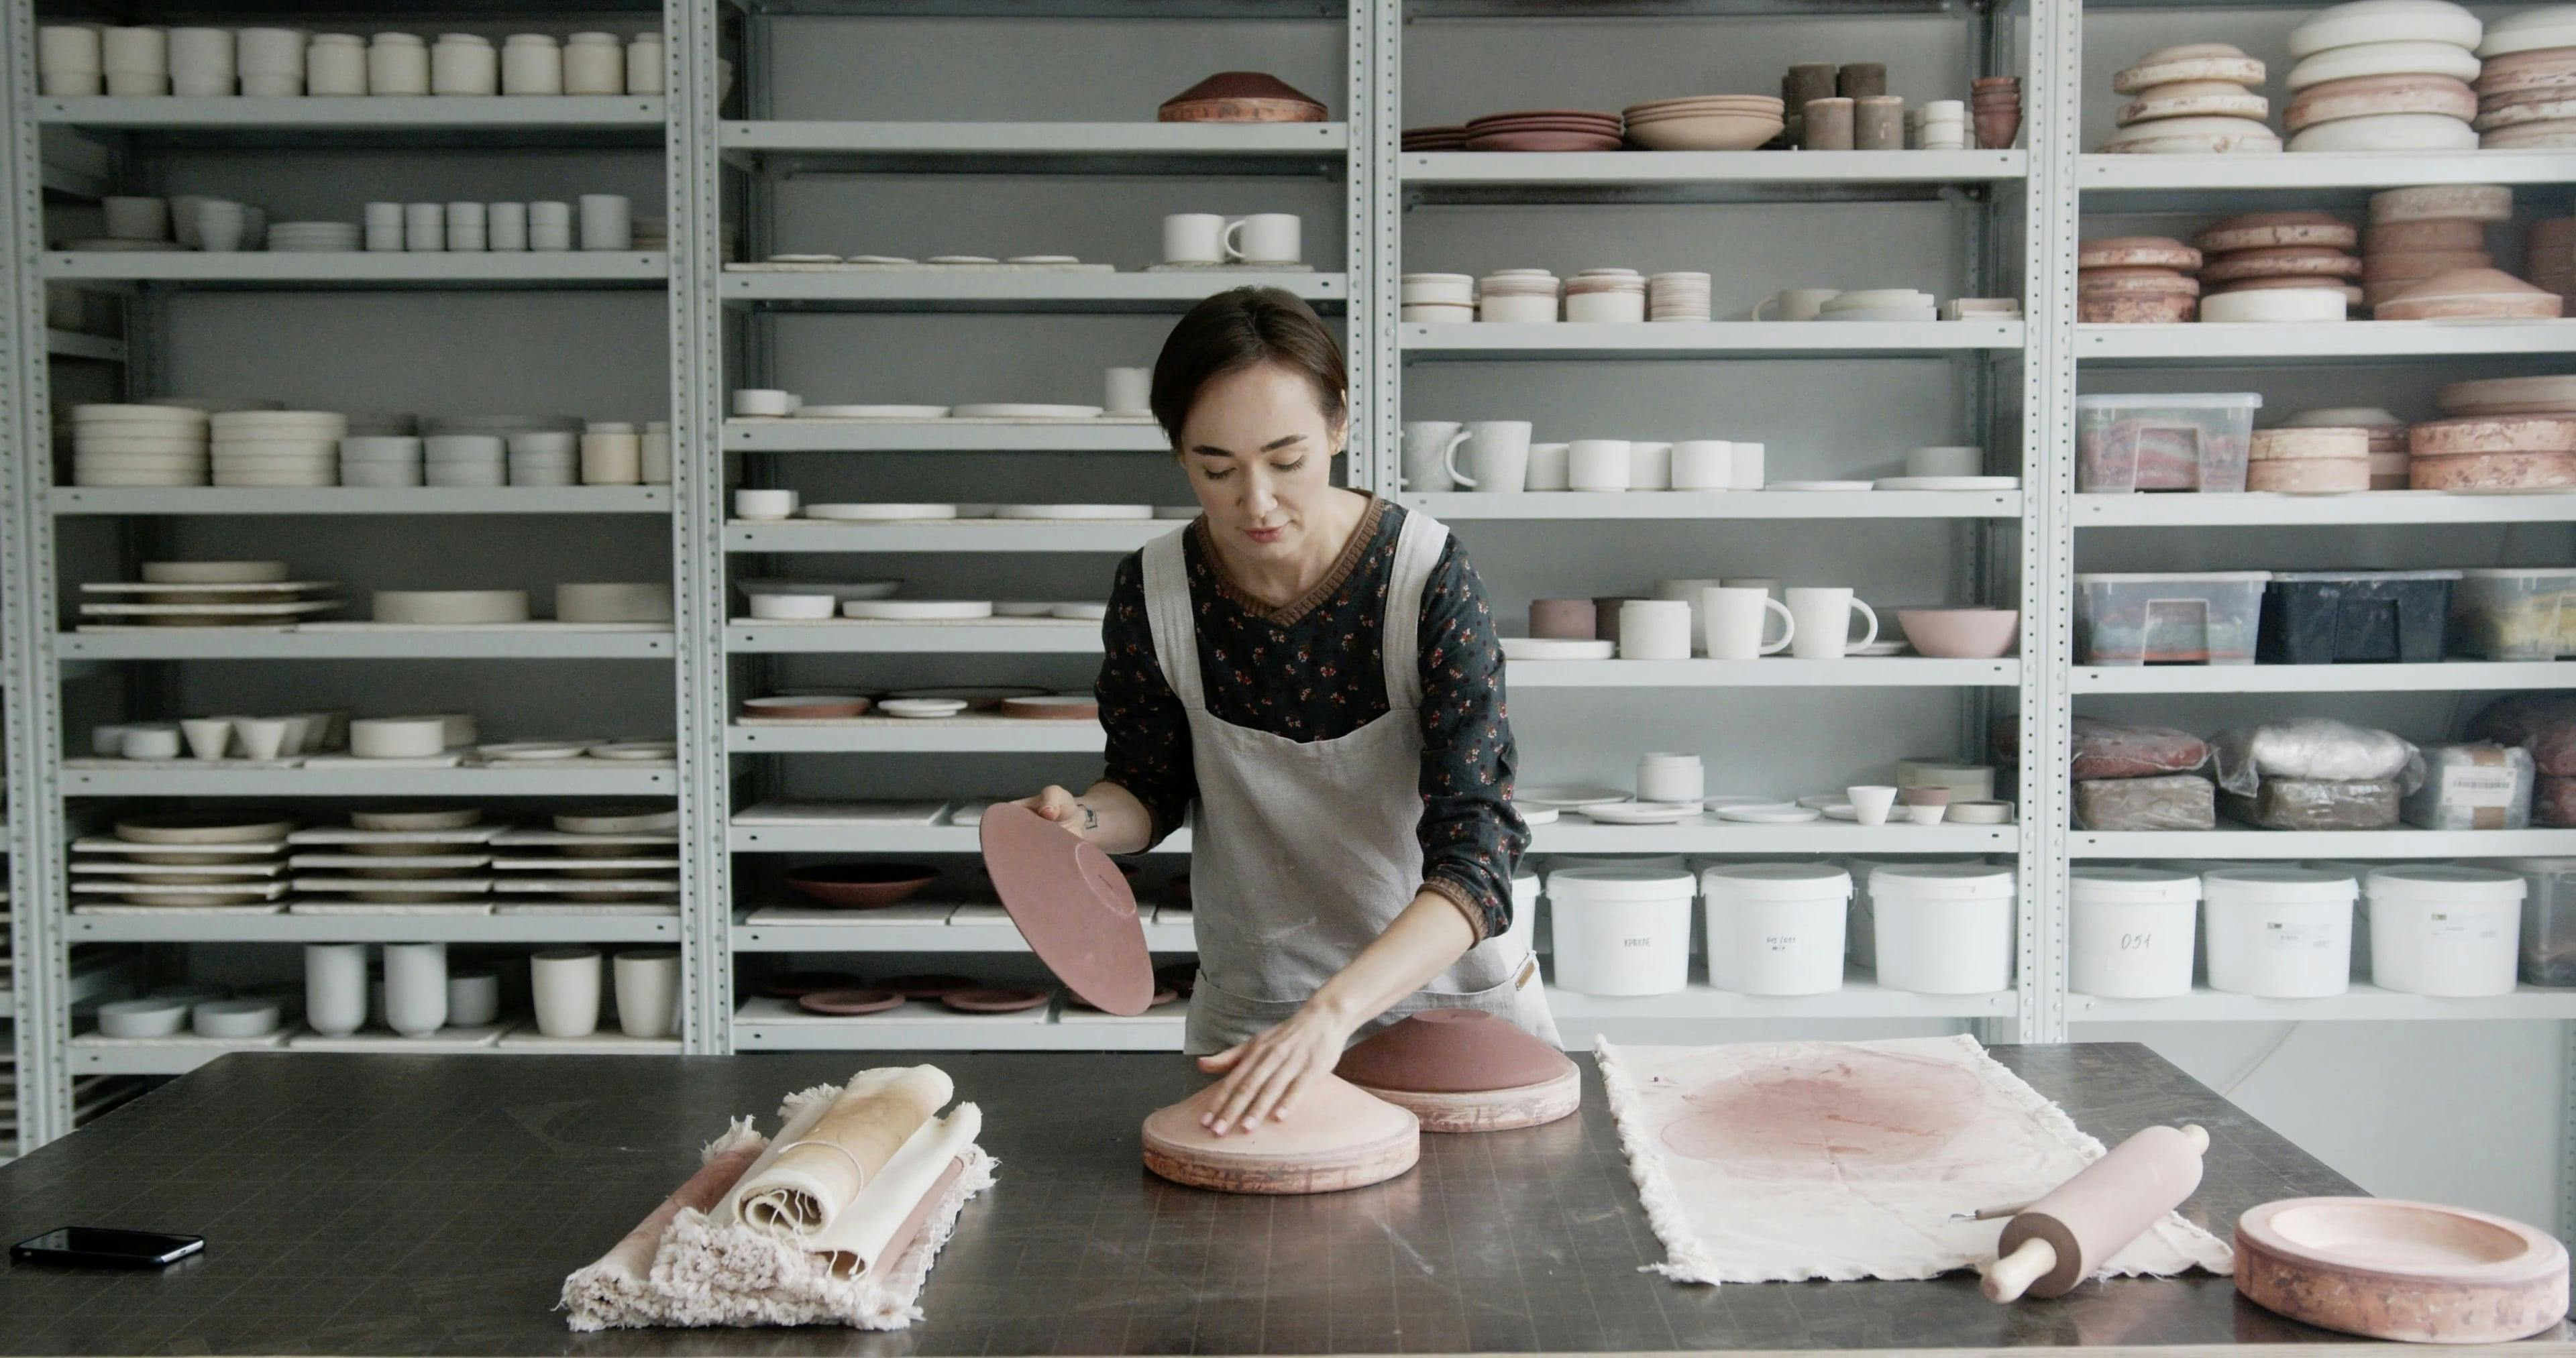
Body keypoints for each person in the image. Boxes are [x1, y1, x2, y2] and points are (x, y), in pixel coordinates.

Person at [1016, 286, 1553, 1139]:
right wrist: (1079, 822)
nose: (1256, 501)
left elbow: (1478, 855)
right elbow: (1147, 788)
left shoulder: (1426, 580)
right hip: (1259, 1019)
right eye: (1217, 468)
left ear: (1339, 426)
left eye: (1287, 459)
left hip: (1447, 1012)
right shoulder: (1156, 590)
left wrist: (1333, 1014)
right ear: (1179, 456)